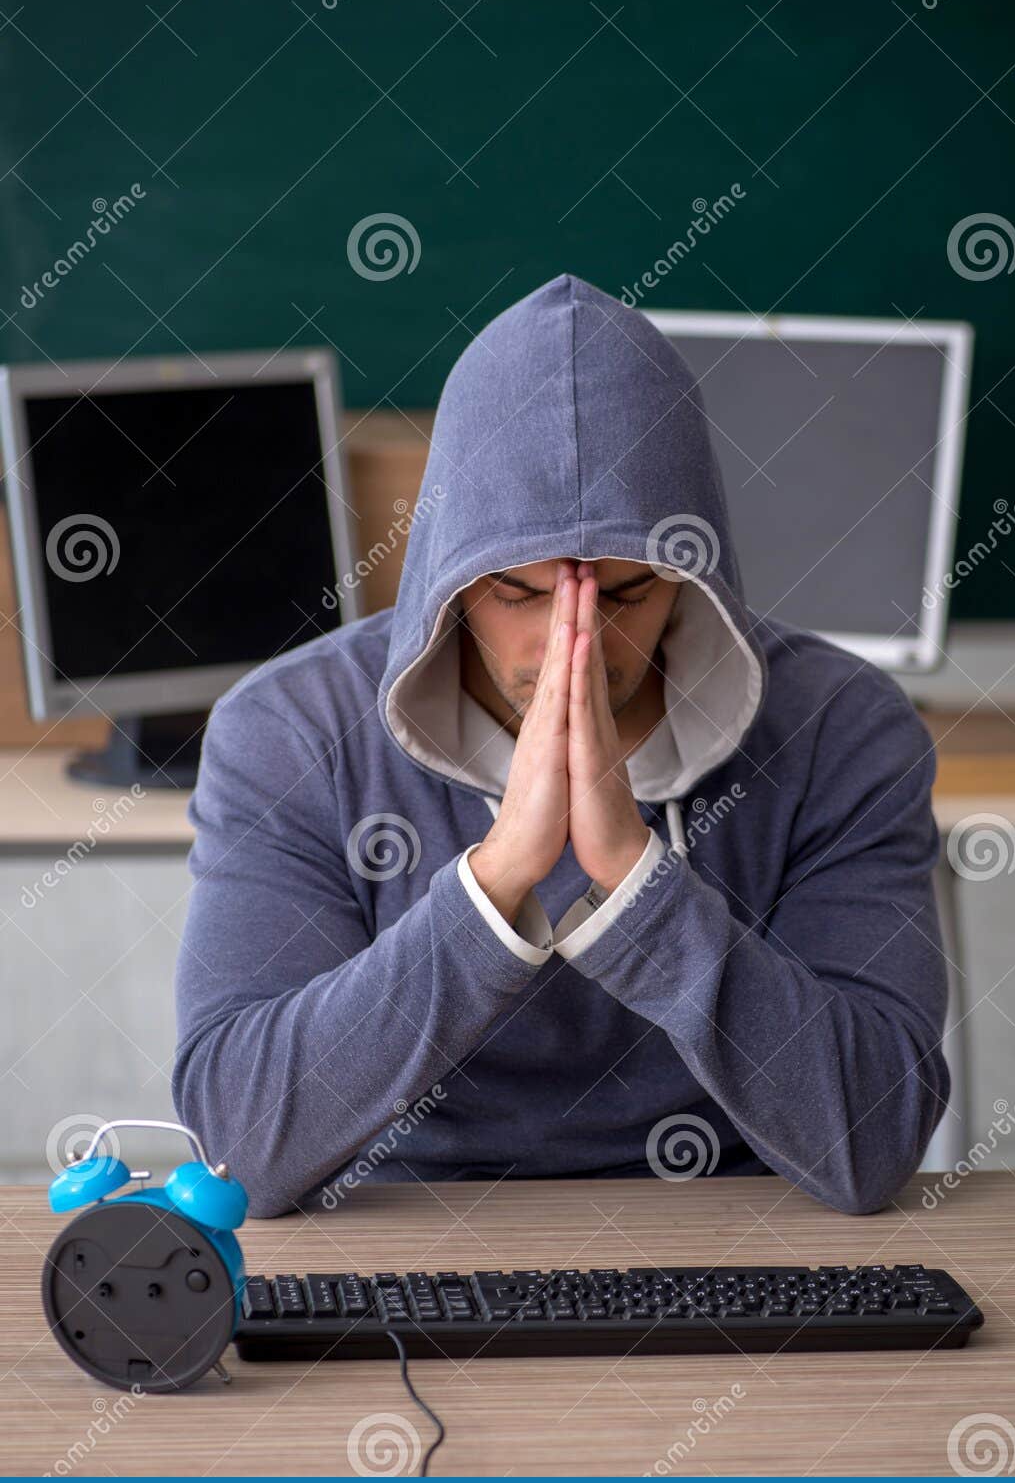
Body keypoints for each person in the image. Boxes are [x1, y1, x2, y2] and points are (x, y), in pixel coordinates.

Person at [173, 274, 948, 1218]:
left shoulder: (841, 729)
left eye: (624, 593)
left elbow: (871, 1140)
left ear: (692, 573)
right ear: (450, 577)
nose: (571, 646)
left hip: (738, 1227)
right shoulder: (291, 731)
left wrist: (635, 881)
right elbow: (241, 1143)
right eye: (519, 593)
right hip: (404, 1233)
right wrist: (498, 879)